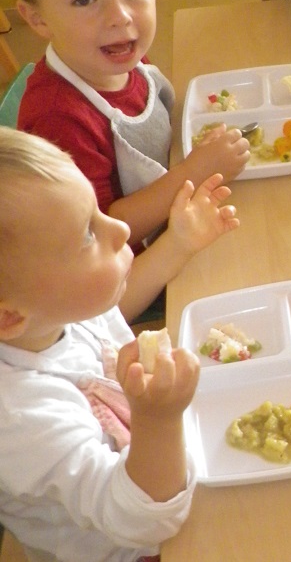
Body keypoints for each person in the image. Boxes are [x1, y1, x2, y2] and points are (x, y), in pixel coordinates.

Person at [9, 0, 250, 321]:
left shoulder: (120, 55)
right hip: (118, 285)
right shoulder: (58, 116)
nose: (119, 16)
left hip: (175, 225)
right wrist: (194, 171)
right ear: (37, 18)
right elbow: (103, 234)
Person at [0, 127, 235, 561]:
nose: (122, 227)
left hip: (171, 476)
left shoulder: (53, 309)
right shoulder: (19, 420)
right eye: (88, 234)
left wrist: (178, 244)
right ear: (8, 317)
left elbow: (111, 304)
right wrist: (159, 418)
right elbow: (143, 522)